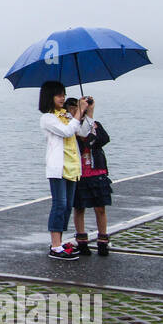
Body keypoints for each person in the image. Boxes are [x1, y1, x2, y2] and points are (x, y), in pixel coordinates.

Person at [38, 81, 92, 260]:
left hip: (72, 166)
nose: (63, 98)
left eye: (63, 94)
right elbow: (67, 132)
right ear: (49, 97)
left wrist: (87, 112)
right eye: (59, 95)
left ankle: (59, 243)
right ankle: (55, 246)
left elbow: (83, 132)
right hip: (58, 167)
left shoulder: (67, 115)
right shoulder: (48, 118)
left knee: (68, 205)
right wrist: (78, 112)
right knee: (59, 204)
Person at [73, 96, 112, 256]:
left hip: (97, 170)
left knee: (100, 207)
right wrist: (84, 115)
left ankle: (103, 240)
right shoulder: (72, 126)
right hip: (79, 171)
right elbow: (83, 139)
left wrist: (91, 118)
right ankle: (81, 240)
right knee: (79, 207)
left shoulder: (95, 124)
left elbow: (103, 140)